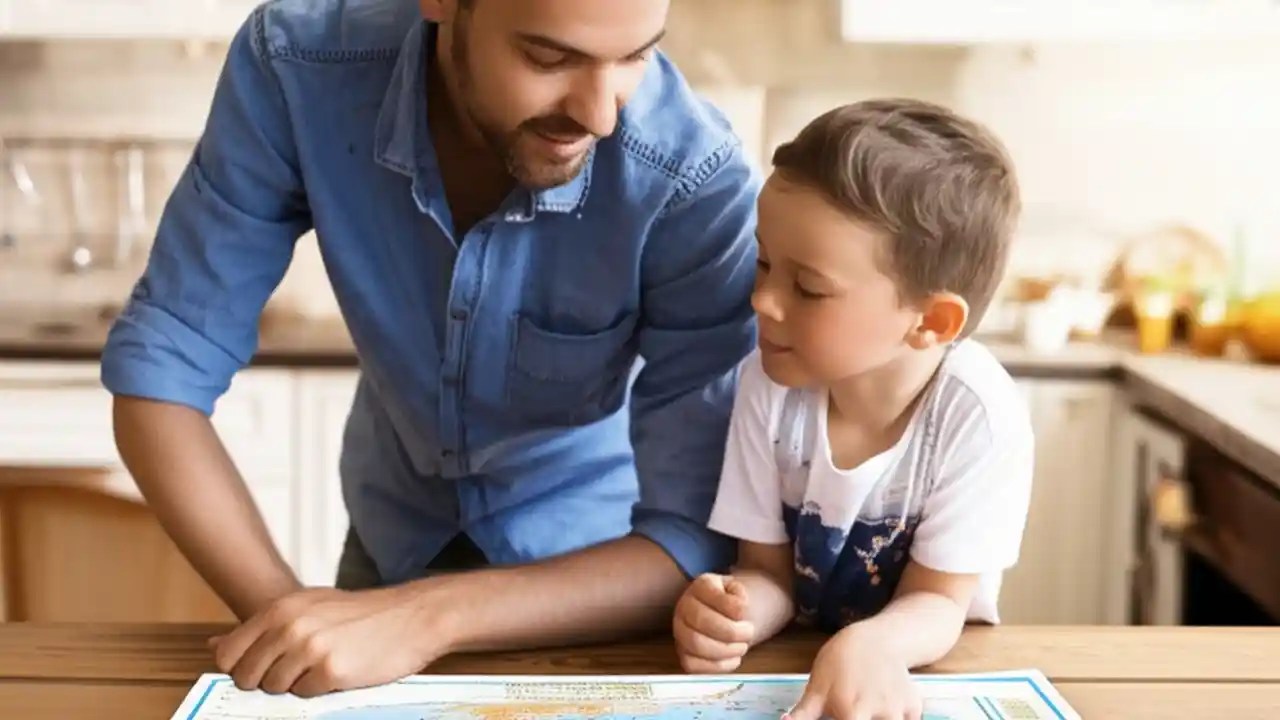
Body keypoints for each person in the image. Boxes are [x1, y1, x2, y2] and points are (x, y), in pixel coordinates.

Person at [101, 0, 760, 697]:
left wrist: (424, 619)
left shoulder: (693, 179)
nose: (601, 115)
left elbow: (699, 533)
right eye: (548, 58)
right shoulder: (297, 65)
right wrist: (289, 624)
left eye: (635, 56)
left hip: (597, 592)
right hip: (387, 550)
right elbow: (163, 368)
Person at [672, 98, 1034, 720]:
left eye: (808, 288)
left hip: (926, 673)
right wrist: (734, 612)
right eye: (763, 263)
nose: (763, 299)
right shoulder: (768, 384)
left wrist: (871, 646)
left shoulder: (978, 415)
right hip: (796, 668)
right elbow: (770, 574)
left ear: (930, 322)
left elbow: (941, 604)